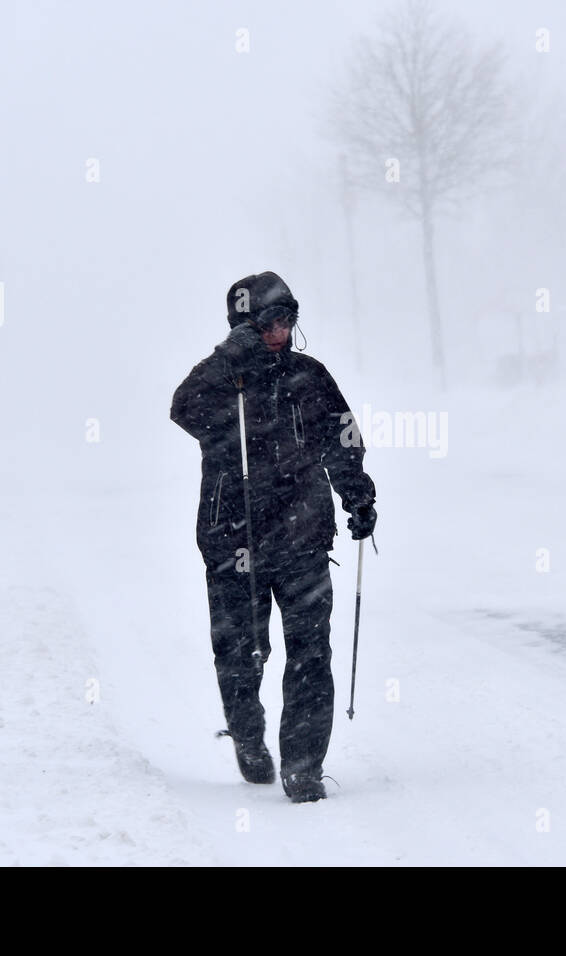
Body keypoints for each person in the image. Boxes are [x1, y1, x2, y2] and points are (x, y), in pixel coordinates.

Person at [169, 271, 376, 803]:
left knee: (310, 654)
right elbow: (182, 410)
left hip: (302, 538)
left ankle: (304, 767)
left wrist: (358, 494)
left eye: (288, 319)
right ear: (244, 324)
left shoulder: (312, 376)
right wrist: (226, 359)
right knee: (241, 652)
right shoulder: (219, 381)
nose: (280, 330)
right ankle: (248, 733)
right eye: (268, 322)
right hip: (231, 539)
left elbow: (344, 437)